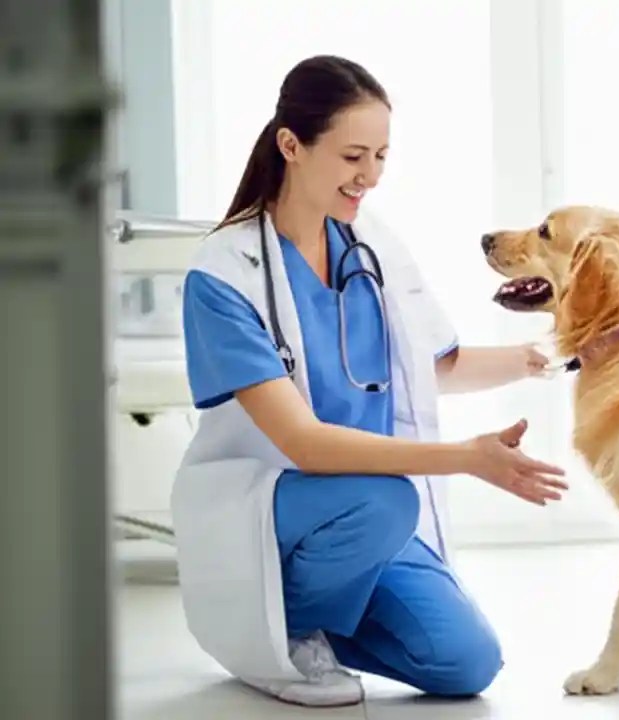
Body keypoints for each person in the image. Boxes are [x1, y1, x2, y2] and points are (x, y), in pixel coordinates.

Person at [171, 54, 568, 708]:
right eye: (355, 156)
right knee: (387, 500)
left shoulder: (373, 245)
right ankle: (285, 629)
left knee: (468, 662)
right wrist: (467, 459)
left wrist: (543, 354)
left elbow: (435, 367)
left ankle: (326, 615)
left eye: (382, 155)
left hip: (362, 521)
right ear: (291, 145)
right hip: (284, 510)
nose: (372, 177)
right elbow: (305, 445)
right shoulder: (225, 273)